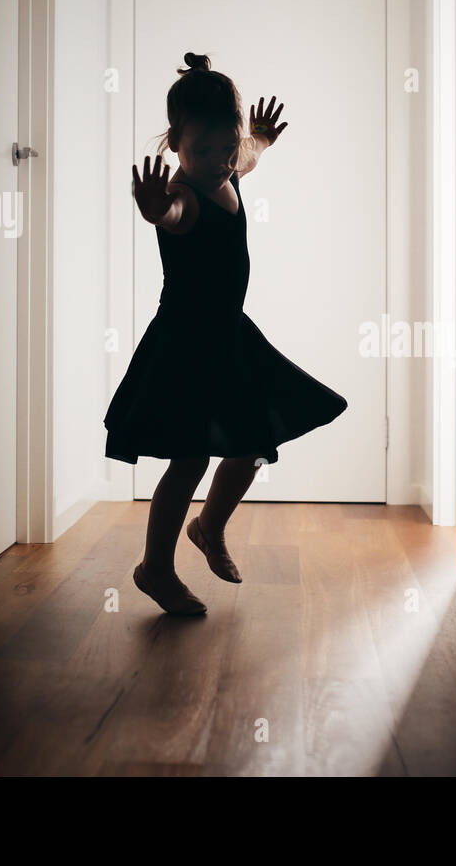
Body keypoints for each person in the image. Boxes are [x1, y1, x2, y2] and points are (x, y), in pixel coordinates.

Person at [104, 52, 348, 615]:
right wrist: (153, 210)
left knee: (253, 446)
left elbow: (251, 157)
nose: (216, 162)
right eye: (200, 151)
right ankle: (154, 570)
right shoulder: (185, 196)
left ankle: (209, 525)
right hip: (185, 345)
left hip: (230, 339)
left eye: (225, 148)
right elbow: (174, 217)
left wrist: (259, 139)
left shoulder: (230, 168)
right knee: (187, 461)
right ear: (174, 146)